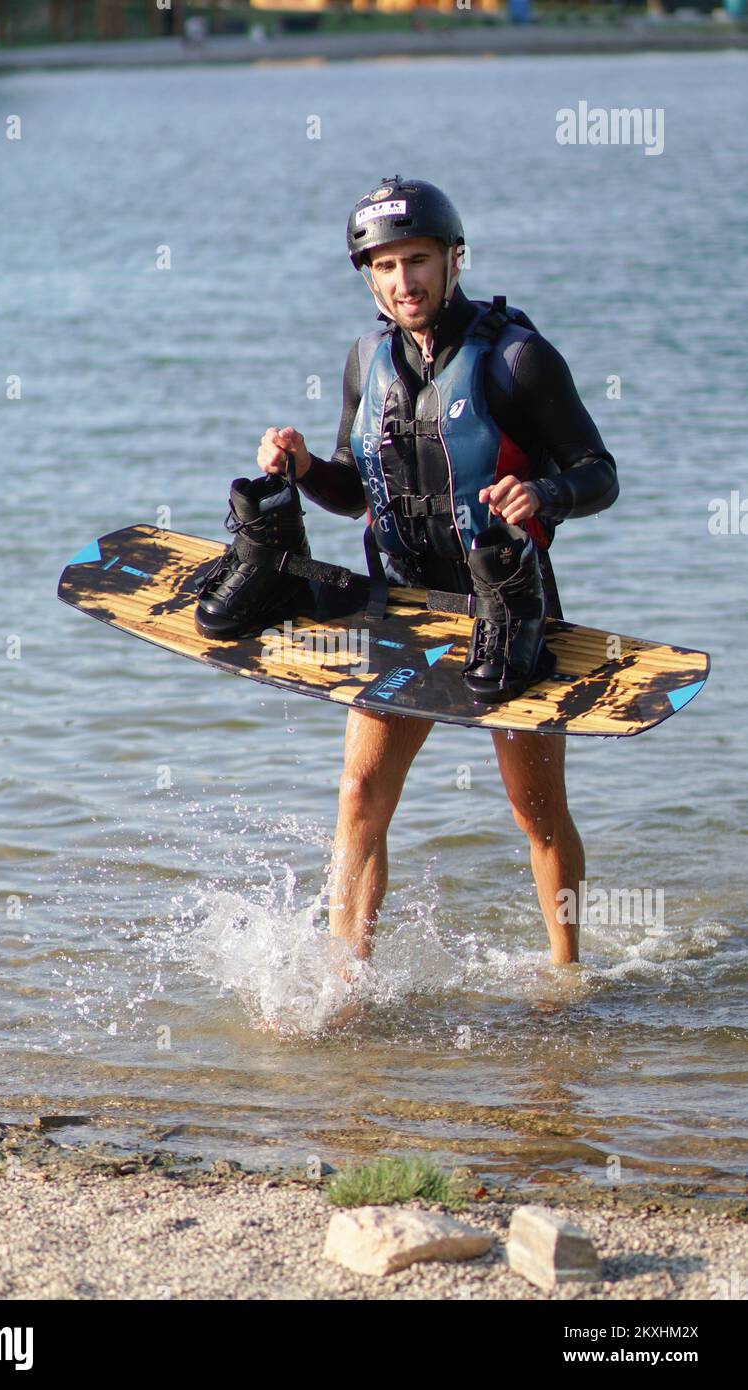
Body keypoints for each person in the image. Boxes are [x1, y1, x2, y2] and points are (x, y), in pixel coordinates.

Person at [256, 176, 618, 968]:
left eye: (416, 261)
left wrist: (545, 491)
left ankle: (567, 974)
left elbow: (599, 472)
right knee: (358, 798)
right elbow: (357, 493)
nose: (402, 282)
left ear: (454, 259)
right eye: (383, 267)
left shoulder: (517, 360)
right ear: (367, 277)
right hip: (403, 614)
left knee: (537, 813)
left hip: (507, 611)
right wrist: (305, 465)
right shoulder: (367, 359)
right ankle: (346, 982)